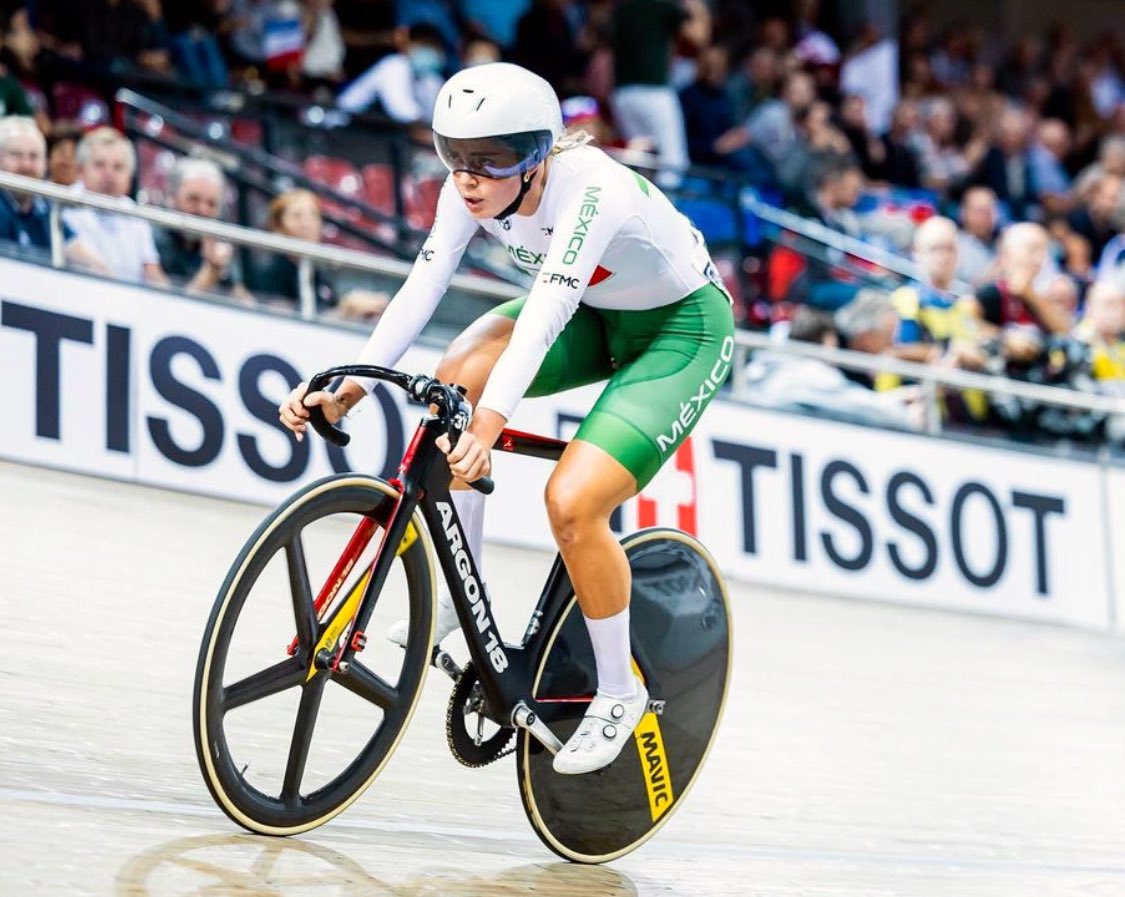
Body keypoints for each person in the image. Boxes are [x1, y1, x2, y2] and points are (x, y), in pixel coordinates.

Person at [278, 62, 735, 775]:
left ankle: (620, 692)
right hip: (599, 315)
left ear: (536, 153)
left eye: (488, 160)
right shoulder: (471, 186)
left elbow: (548, 311)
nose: (467, 177)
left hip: (680, 332)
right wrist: (351, 385)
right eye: (453, 154)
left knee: (573, 503)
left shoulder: (592, 188)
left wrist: (488, 427)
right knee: (453, 377)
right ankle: (468, 612)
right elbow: (424, 280)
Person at [253, 188, 388, 319]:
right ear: (278, 226)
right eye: (297, 216)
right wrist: (345, 311)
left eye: (313, 215)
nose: (307, 224)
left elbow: (330, 312)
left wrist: (356, 309)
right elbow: (289, 323)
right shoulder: (269, 272)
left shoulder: (319, 272)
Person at [62, 127, 169, 286]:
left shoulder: (134, 213)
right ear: (80, 170)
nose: (109, 174)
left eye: (118, 167)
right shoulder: (63, 204)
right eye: (99, 165)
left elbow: (152, 271)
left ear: (130, 177)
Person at [0, 115, 104, 270]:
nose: (26, 165)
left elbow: (90, 262)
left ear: (45, 164)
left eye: (34, 156)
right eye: (16, 154)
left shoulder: (45, 210)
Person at [154, 157, 252, 301]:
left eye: (211, 204)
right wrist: (212, 271)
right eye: (193, 199)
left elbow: (242, 300)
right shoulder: (153, 238)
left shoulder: (218, 243)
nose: (202, 210)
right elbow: (169, 310)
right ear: (172, 198)